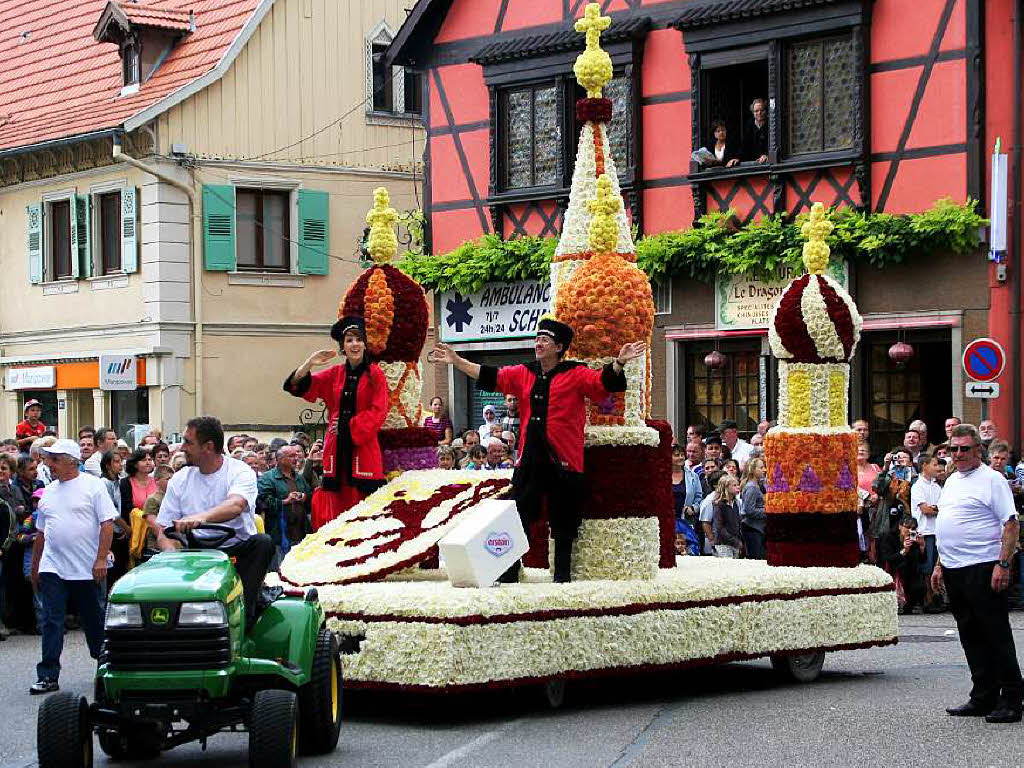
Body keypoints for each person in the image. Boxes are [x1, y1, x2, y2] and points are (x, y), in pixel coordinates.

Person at [430, 317, 643, 582]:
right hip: (530, 458)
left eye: (545, 340)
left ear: (559, 346)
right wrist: (457, 361)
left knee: (564, 522)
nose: (538, 343)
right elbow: (489, 374)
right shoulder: (524, 372)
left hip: (564, 460)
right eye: (537, 339)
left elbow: (603, 384)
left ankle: (562, 578)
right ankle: (509, 574)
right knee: (517, 515)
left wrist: (619, 362)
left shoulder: (575, 373)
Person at [932, 424, 1022, 722]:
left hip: (983, 566)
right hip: (954, 568)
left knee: (995, 634)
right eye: (953, 449)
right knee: (970, 635)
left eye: (965, 448)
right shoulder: (952, 481)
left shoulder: (992, 480)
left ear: (978, 450)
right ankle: (983, 695)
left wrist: (1003, 563)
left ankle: (1011, 699)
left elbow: (1010, 524)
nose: (958, 454)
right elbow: (945, 524)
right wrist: (938, 566)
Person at [155, 417, 270, 626]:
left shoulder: (240, 471)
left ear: (208, 447)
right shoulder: (180, 479)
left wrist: (201, 518)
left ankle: (246, 615)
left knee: (263, 543)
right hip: (195, 553)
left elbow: (236, 505)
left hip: (238, 550)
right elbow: (163, 529)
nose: (182, 448)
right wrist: (170, 554)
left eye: (188, 442)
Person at [29, 439, 118, 694]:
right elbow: (41, 533)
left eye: (55, 460)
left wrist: (101, 559)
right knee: (51, 620)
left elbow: (107, 524)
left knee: (93, 620)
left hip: (86, 568)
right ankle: (47, 674)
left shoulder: (93, 486)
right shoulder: (49, 491)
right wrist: (36, 568)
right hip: (53, 566)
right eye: (49, 459)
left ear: (71, 461)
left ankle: (104, 668)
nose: (49, 464)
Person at [283, 316, 388, 530]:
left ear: (365, 344)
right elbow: (298, 387)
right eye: (349, 340)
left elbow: (379, 411)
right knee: (337, 517)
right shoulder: (335, 374)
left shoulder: (375, 374)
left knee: (365, 516)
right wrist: (309, 362)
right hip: (335, 451)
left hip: (364, 449)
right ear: (343, 346)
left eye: (359, 339)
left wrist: (347, 426)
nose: (354, 344)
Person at [256, 444, 312, 567]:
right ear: (280, 459)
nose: (296, 458)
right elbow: (262, 501)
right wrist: (284, 501)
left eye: (297, 455)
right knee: (279, 573)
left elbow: (309, 495)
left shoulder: (299, 477)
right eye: (291, 456)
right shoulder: (268, 478)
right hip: (279, 536)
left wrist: (304, 497)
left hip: (301, 534)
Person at [911, 453, 942, 608]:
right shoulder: (918, 486)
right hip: (924, 531)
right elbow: (925, 510)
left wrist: (935, 508)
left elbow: (941, 507)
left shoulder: (937, 487)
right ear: (924, 466)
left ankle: (937, 595)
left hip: (937, 531)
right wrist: (937, 508)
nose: (938, 468)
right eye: (934, 464)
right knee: (927, 567)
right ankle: (927, 598)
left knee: (938, 564)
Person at [880, 515, 927, 614]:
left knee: (920, 586)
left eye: (913, 528)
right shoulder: (889, 537)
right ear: (899, 526)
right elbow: (887, 558)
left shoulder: (914, 539)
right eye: (907, 527)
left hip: (909, 572)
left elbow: (922, 561)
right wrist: (904, 551)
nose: (909, 530)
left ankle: (909, 606)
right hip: (893, 571)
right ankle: (897, 605)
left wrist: (922, 546)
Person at [98, 451, 131, 583]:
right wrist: (126, 528)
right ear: (107, 465)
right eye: (116, 462)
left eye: (121, 461)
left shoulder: (119, 481)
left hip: (120, 531)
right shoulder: (104, 483)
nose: (120, 465)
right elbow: (112, 511)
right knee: (114, 569)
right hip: (112, 531)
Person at [739, 457, 767, 559]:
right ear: (753, 469)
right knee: (756, 559)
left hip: (757, 529)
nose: (764, 470)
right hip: (752, 529)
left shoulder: (756, 486)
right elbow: (749, 510)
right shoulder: (752, 487)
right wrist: (768, 510)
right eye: (761, 467)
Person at [712, 474, 744, 558]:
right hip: (723, 544)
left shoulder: (736, 504)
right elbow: (719, 527)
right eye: (734, 485)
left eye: (738, 485)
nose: (738, 487)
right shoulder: (719, 505)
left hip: (735, 543)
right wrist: (734, 541)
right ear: (725, 487)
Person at [741, 98, 769, 163]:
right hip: (752, 162)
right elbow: (745, 146)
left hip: (767, 161)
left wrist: (767, 155)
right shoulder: (749, 125)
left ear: (766, 111)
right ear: (753, 113)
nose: (759, 113)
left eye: (761, 110)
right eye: (756, 111)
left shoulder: (770, 124)